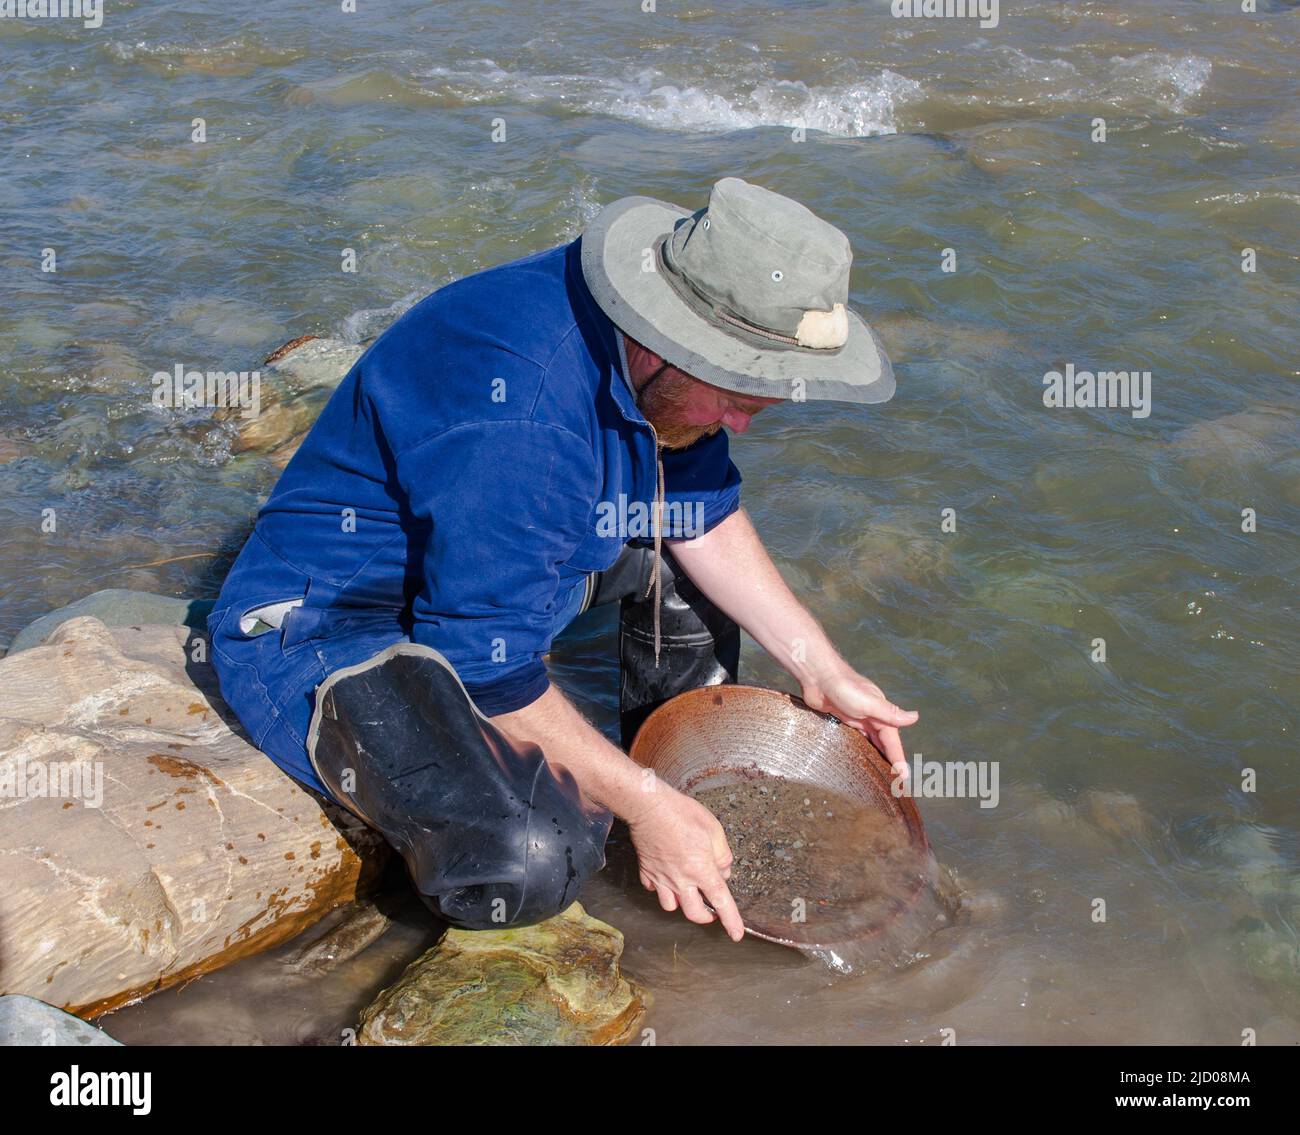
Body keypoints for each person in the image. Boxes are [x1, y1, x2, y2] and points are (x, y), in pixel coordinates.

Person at [207, 176, 918, 942]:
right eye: (737, 392)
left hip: (485, 584)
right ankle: (632, 809)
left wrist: (821, 666)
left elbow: (699, 514)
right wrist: (641, 802)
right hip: (328, 628)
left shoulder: (661, 369)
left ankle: (659, 785)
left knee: (672, 565)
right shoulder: (525, 413)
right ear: (663, 340)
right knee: (532, 858)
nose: (743, 421)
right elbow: (484, 663)